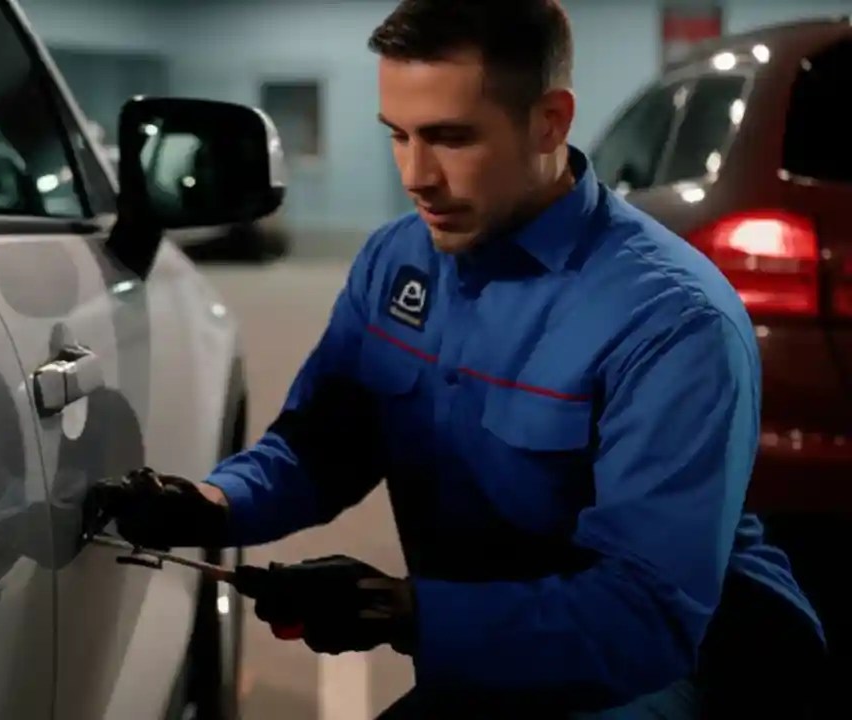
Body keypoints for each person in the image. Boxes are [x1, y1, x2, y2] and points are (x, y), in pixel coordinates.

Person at [94, 0, 829, 716]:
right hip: (494, 658)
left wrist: (403, 611)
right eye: (399, 135)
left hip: (673, 675)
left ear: (550, 121)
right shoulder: (397, 260)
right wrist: (213, 506)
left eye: (451, 137)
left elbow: (644, 619)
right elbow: (325, 443)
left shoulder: (669, 318)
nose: (416, 175)